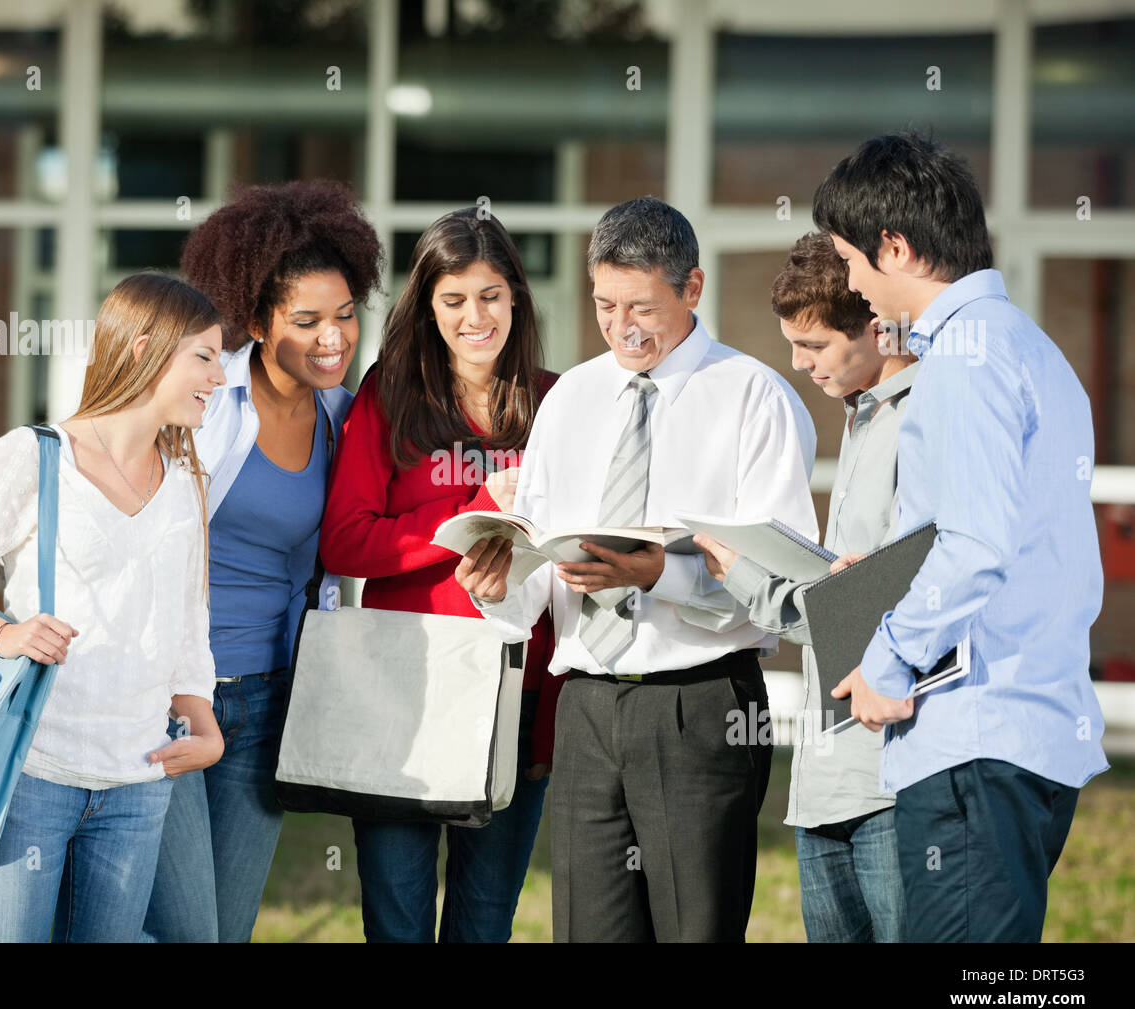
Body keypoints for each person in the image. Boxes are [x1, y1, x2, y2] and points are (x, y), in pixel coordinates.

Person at [456, 197, 818, 942]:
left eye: (643, 306)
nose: (623, 326)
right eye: (605, 304)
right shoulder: (570, 400)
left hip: (702, 706)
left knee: (694, 930)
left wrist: (661, 575)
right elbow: (544, 565)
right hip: (585, 708)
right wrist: (501, 586)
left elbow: (785, 587)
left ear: (692, 289)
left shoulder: (755, 399)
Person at [812, 131, 1108, 942]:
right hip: (1025, 735)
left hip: (972, 742)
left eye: (850, 261)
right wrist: (896, 570)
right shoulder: (1029, 349)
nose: (851, 284)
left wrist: (887, 657)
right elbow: (1003, 535)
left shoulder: (966, 359)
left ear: (895, 247)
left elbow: (976, 544)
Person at [0, 272, 227, 942]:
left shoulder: (185, 486)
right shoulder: (34, 457)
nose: (219, 377)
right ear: (144, 349)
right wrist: (4, 632)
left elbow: (188, 630)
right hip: (31, 775)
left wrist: (204, 725)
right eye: (204, 356)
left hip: (138, 785)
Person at [142, 181, 384, 942]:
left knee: (226, 928)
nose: (333, 338)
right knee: (183, 928)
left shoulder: (344, 418)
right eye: (306, 320)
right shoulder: (206, 400)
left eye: (345, 315)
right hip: (173, 696)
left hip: (269, 705)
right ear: (254, 321)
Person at [318, 208, 564, 943]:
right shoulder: (389, 394)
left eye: (490, 295)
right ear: (428, 306)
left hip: (516, 690)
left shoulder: (556, 403)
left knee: (484, 920)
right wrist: (468, 514)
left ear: (516, 297)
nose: (474, 316)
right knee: (397, 921)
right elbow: (345, 541)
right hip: (407, 688)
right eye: (453, 299)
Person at [692, 231, 915, 942]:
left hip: (894, 782)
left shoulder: (927, 418)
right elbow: (853, 591)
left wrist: (745, 578)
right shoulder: (864, 412)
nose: (798, 363)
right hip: (826, 779)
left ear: (875, 325)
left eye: (814, 345)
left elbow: (879, 606)